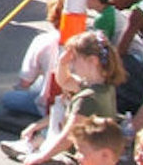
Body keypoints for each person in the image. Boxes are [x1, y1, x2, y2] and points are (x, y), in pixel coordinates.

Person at [16, 31, 125, 165]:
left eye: (75, 59)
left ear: (92, 60)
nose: (72, 64)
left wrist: (41, 157)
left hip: (78, 157)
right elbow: (65, 81)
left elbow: (68, 137)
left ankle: (34, 147)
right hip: (88, 155)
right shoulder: (104, 87)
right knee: (40, 139)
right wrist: (62, 64)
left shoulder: (88, 98)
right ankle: (35, 143)